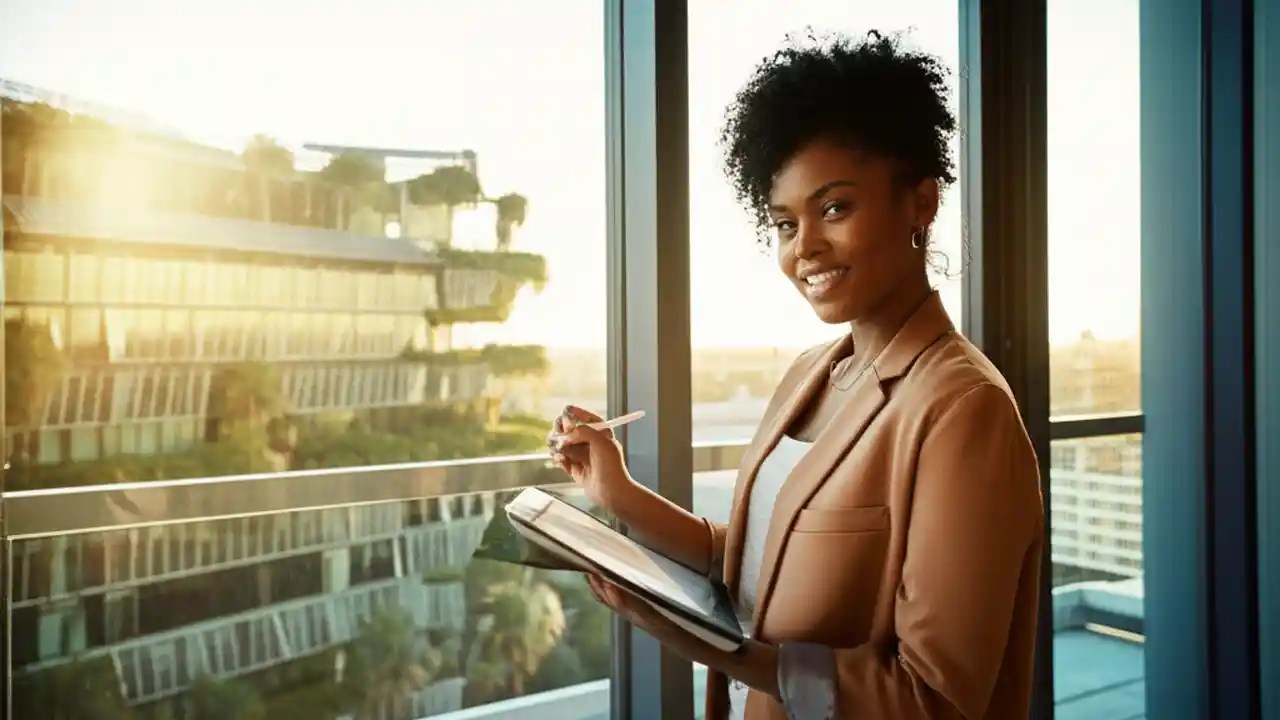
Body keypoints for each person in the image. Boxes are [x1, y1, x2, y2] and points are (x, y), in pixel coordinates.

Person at [549, 31, 1043, 720]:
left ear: (921, 203)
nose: (805, 247)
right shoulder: (812, 375)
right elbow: (762, 559)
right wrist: (619, 493)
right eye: (784, 223)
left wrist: (710, 647)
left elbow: (935, 700)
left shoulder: (963, 409)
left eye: (835, 208)